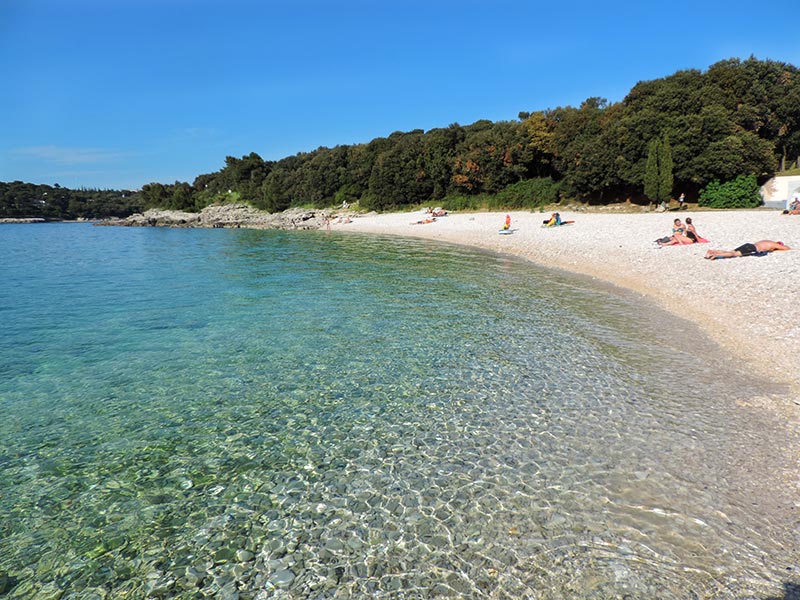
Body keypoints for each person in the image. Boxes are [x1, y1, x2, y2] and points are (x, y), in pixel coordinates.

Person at [704, 240, 790, 260]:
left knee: (731, 251)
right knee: (734, 254)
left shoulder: (766, 241)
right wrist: (778, 248)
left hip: (749, 245)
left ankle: (713, 251)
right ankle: (717, 254)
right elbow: (786, 248)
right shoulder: (773, 244)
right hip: (752, 248)